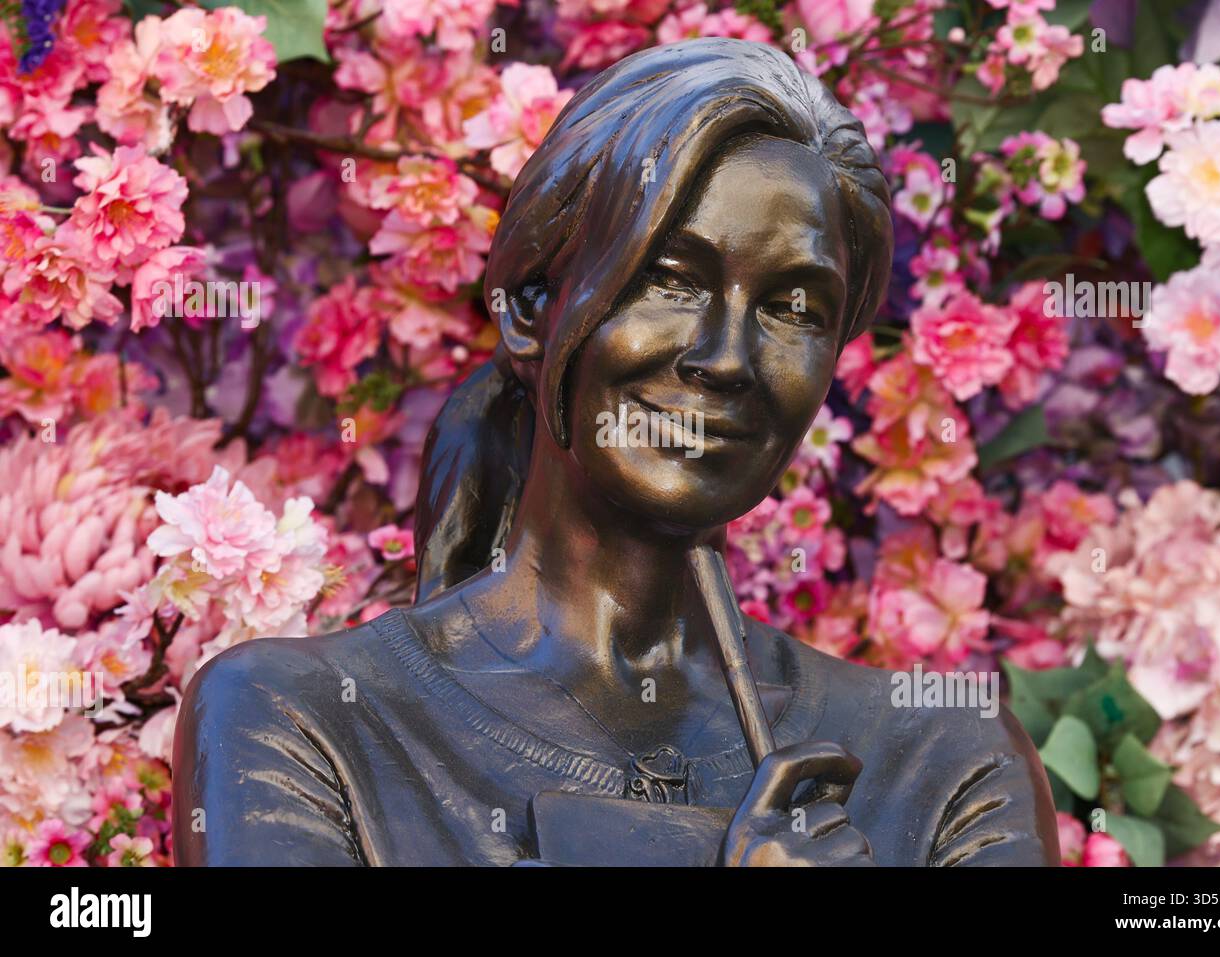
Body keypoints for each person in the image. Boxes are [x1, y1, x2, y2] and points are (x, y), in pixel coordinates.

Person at [173, 38, 1059, 867]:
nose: (726, 358)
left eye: (794, 307)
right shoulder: (301, 719)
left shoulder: (948, 760)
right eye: (670, 280)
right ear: (528, 308)